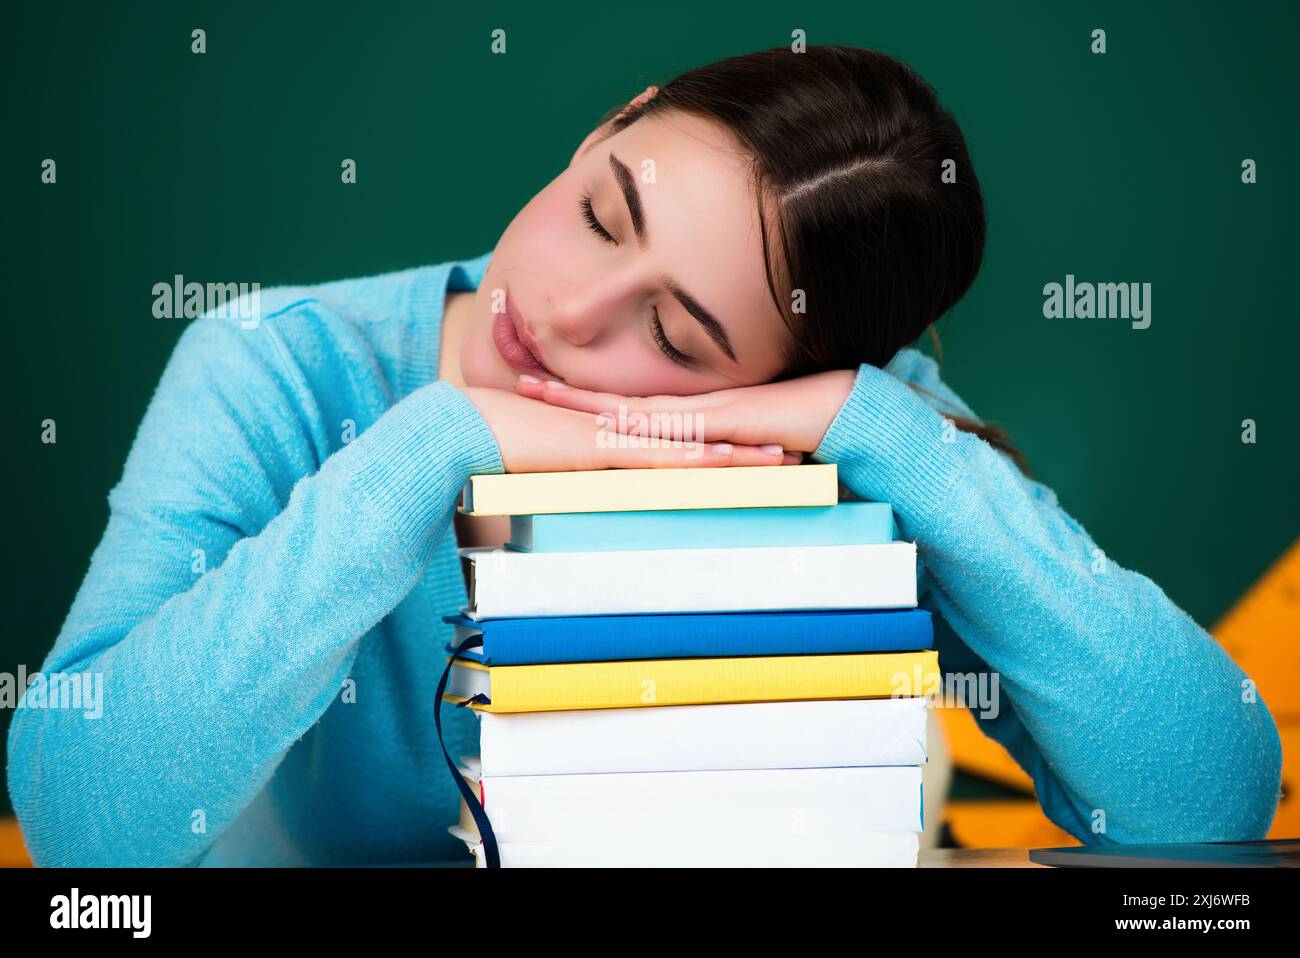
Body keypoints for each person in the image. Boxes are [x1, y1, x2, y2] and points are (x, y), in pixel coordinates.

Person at [6, 46, 1280, 867]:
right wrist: (433, 445)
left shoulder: (843, 439)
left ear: (776, 388)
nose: (562, 311)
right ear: (613, 120)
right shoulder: (278, 365)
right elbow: (80, 826)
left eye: (674, 333)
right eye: (605, 210)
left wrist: (903, 448)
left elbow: (1208, 794)